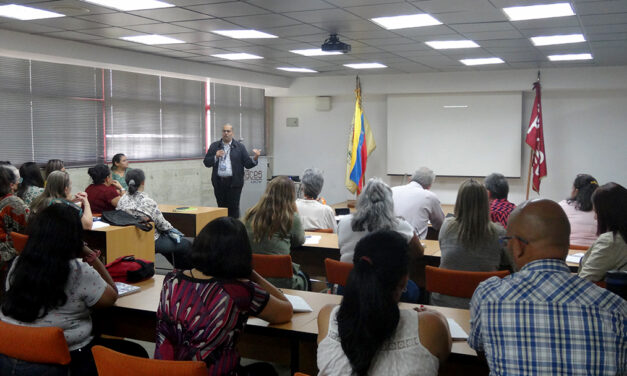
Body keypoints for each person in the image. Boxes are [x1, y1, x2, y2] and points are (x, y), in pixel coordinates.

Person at [468, 199, 627, 375]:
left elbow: (481, 351)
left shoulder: (489, 296)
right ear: (566, 245)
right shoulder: (617, 309)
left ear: (518, 247)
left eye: (507, 241)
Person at [0, 204, 148, 375]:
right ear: (74, 238)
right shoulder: (78, 270)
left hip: (9, 355)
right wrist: (90, 255)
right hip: (63, 360)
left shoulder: (17, 264)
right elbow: (111, 295)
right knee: (136, 351)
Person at [155, 217, 293, 376]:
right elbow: (286, 310)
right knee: (266, 370)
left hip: (166, 371)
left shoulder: (171, 279)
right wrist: (252, 274)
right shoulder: (239, 290)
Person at [317, 230, 451, 376]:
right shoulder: (433, 326)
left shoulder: (326, 316)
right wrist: (433, 316)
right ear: (404, 280)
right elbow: (444, 354)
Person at [434, 179, 512, 308]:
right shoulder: (499, 233)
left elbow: (443, 247)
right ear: (486, 203)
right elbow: (508, 260)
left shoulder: (446, 226)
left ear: (459, 201)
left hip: (445, 301)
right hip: (485, 303)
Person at [117, 169, 193, 270]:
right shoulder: (147, 201)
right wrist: (173, 230)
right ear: (143, 182)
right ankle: (188, 274)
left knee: (171, 246)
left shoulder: (122, 200)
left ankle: (181, 271)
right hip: (149, 239)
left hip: (129, 239)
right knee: (185, 244)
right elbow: (162, 224)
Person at [339, 178, 423, 263]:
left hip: (347, 274)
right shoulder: (400, 225)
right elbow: (419, 252)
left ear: (361, 200)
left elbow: (341, 247)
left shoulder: (343, 222)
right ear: (389, 202)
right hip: (385, 275)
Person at [243, 176, 306, 289]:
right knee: (304, 277)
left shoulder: (250, 214)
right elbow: (300, 240)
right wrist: (295, 211)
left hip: (253, 278)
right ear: (291, 196)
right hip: (282, 282)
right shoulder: (291, 218)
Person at [203, 124, 261, 218]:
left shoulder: (239, 147)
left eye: (228, 131)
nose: (226, 133)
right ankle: (223, 230)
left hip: (234, 183)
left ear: (232, 133)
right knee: (221, 208)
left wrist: (255, 157)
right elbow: (206, 163)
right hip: (219, 183)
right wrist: (215, 156)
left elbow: (247, 164)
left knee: (233, 209)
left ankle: (234, 230)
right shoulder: (214, 146)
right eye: (224, 131)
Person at [578, 182, 627, 281]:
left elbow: (584, 281)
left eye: (596, 212)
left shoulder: (610, 242)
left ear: (607, 214)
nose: (595, 218)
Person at [392, 167, 445, 239]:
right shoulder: (429, 196)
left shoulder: (391, 190)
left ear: (409, 179)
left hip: (388, 240)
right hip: (413, 244)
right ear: (429, 186)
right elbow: (441, 225)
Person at [0, 167, 29, 284]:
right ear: (10, 184)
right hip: (8, 258)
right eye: (17, 179)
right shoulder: (13, 203)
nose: (19, 182)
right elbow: (30, 228)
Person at [558, 173, 599, 247]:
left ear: (576, 191)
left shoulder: (562, 206)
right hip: (595, 253)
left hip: (568, 252)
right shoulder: (603, 208)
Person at [295, 168, 337, 232]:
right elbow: (335, 233)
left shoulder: (291, 206)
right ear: (320, 189)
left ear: (302, 188)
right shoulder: (326, 210)